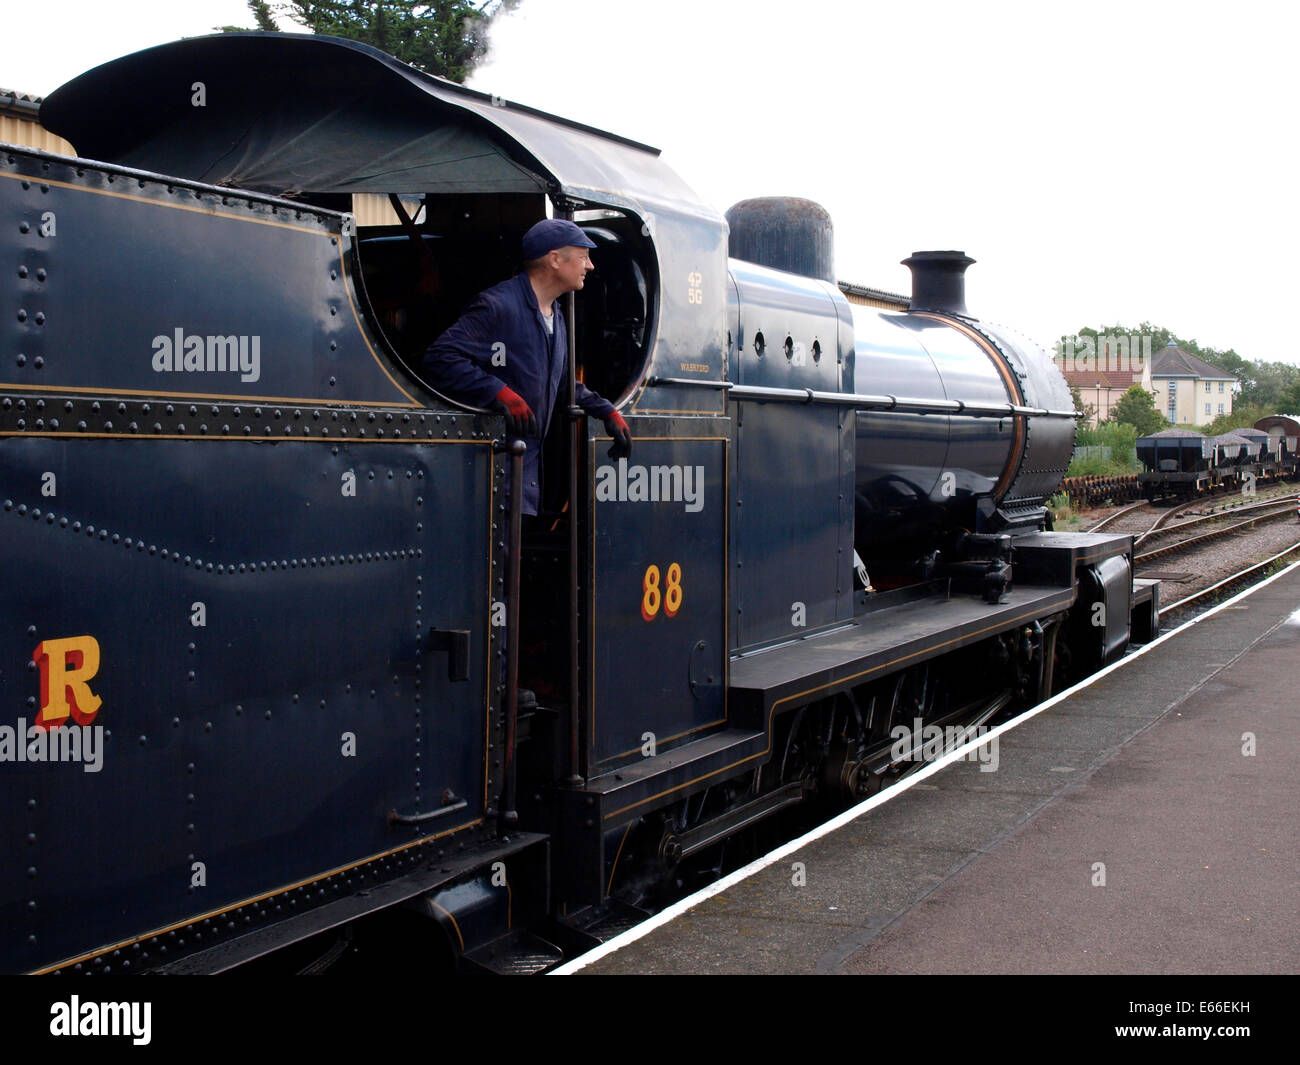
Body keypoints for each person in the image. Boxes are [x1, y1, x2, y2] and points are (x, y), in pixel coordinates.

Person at [423, 218, 632, 516]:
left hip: (524, 472)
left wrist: (605, 409)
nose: (591, 266)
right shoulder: (497, 306)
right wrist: (498, 392)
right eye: (584, 256)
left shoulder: (556, 316)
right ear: (555, 259)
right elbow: (441, 357)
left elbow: (556, 383)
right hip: (487, 474)